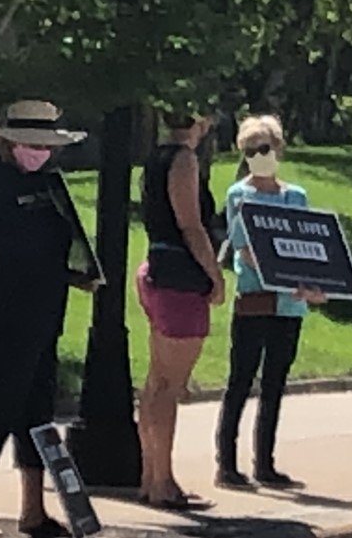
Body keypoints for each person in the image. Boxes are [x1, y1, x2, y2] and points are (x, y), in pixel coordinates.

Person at [0, 101, 95, 538]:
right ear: (7, 142)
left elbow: (62, 242)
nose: (39, 152)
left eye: (45, 145)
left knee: (38, 415)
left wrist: (82, 271)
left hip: (44, 313)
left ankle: (33, 510)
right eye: (31, 144)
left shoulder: (49, 186)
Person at [215, 115, 325, 490]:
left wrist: (312, 283)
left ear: (278, 149)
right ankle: (226, 464)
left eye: (264, 148)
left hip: (290, 303)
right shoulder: (239, 195)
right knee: (241, 380)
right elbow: (244, 248)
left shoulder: (296, 196)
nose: (258, 157)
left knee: (275, 383)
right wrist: (278, 270)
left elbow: (307, 245)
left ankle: (265, 463)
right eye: (250, 151)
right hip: (255, 298)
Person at [135, 109, 224, 510]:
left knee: (155, 382)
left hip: (156, 269)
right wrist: (215, 275)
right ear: (198, 122)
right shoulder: (184, 159)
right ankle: (162, 481)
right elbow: (191, 225)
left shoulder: (155, 157)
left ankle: (149, 475)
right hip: (180, 278)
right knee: (171, 387)